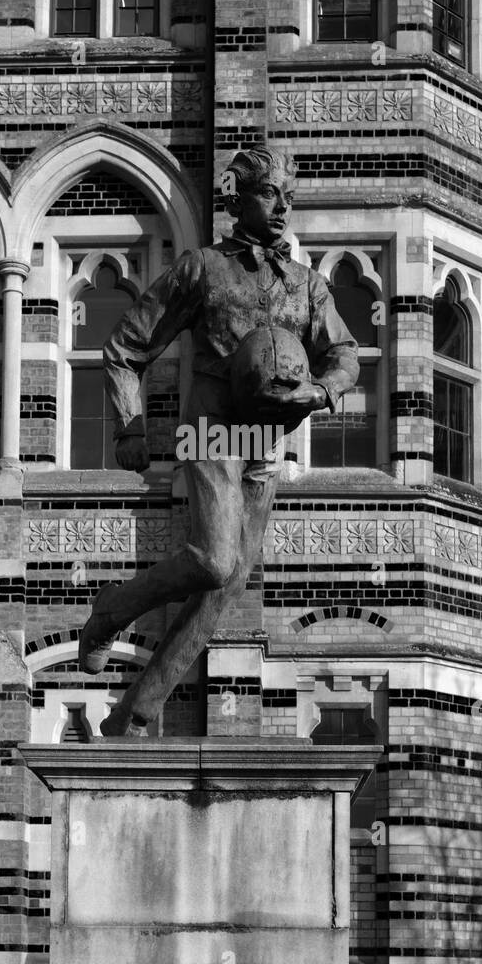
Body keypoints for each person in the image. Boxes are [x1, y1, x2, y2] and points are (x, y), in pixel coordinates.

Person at [78, 146, 359, 735]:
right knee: (214, 559)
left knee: (227, 586)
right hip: (209, 429)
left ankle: (135, 714)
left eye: (289, 197)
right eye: (269, 194)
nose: (282, 207)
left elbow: (344, 354)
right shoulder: (202, 268)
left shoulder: (307, 286)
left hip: (268, 439)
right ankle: (112, 608)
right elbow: (126, 348)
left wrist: (324, 392)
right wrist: (129, 427)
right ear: (240, 198)